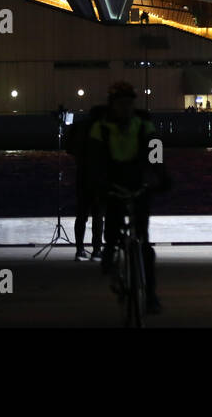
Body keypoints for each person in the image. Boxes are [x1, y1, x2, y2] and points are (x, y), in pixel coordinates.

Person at [90, 81, 167, 314]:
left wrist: (161, 176)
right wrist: (97, 184)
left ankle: (151, 294)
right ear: (112, 105)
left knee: (143, 242)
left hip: (137, 184)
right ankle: (110, 252)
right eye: (121, 104)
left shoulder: (143, 126)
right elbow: (94, 161)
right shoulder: (100, 129)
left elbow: (156, 153)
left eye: (129, 104)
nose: (125, 108)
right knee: (112, 229)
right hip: (112, 183)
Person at [68, 104, 107, 261]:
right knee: (98, 216)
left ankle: (79, 250)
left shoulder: (79, 127)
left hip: (82, 174)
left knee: (81, 215)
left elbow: (69, 148)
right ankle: (97, 250)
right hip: (100, 177)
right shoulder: (104, 129)